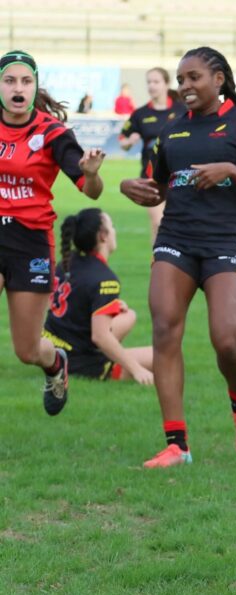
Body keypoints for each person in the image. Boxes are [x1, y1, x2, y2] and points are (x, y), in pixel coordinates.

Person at [119, 46, 236, 468]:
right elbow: (158, 190)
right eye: (181, 79)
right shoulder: (171, 131)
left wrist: (231, 170)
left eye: (193, 78)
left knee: (226, 340)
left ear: (218, 79)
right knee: (164, 330)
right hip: (175, 240)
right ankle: (177, 445)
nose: (185, 86)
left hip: (225, 243)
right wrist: (129, 188)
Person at [0, 49, 105, 416]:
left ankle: (56, 363)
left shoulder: (52, 133)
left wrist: (91, 174)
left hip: (29, 241)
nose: (18, 88)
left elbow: (91, 191)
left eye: (25, 81)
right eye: (9, 81)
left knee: (28, 350)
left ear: (35, 86)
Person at [44, 209, 153, 383]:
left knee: (128, 315)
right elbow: (99, 337)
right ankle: (105, 363)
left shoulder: (68, 260)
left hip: (53, 349)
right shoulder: (105, 279)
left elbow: (76, 302)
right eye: (112, 226)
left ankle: (109, 353)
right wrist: (137, 369)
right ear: (103, 236)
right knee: (162, 355)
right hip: (79, 362)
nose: (115, 231)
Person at [119, 67, 188, 242]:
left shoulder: (183, 110)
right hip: (152, 177)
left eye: (156, 82)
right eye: (149, 82)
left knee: (181, 225)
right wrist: (129, 141)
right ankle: (157, 258)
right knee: (159, 223)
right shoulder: (140, 114)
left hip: (181, 176)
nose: (151, 85)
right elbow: (122, 141)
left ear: (166, 84)